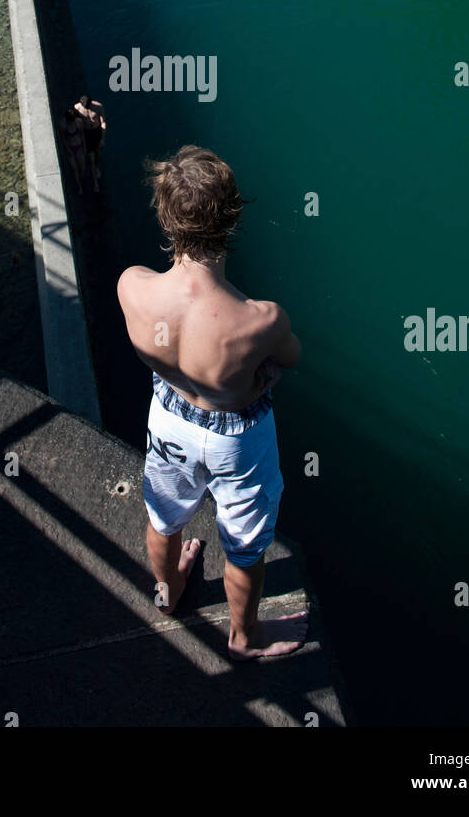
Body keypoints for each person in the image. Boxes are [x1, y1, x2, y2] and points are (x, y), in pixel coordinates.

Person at [117, 146, 307, 662]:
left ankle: (169, 592)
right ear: (233, 218)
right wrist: (255, 380)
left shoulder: (132, 287)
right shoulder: (260, 320)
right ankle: (243, 638)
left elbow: (160, 348)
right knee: (244, 545)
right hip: (237, 438)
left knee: (164, 516)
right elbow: (289, 357)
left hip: (169, 418)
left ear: (165, 215)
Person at [74, 94, 105, 192]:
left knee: (98, 155)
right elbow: (74, 121)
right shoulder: (77, 108)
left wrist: (102, 138)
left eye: (88, 106)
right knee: (91, 158)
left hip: (96, 132)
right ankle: (95, 182)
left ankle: (96, 167)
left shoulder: (98, 107)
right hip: (87, 134)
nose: (86, 108)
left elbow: (103, 122)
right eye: (84, 107)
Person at [58, 107, 86, 194]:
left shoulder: (79, 122)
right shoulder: (63, 124)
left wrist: (84, 147)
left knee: (82, 166)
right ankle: (79, 186)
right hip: (70, 147)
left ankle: (80, 179)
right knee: (74, 169)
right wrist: (67, 149)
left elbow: (82, 135)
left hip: (79, 146)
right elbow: (63, 139)